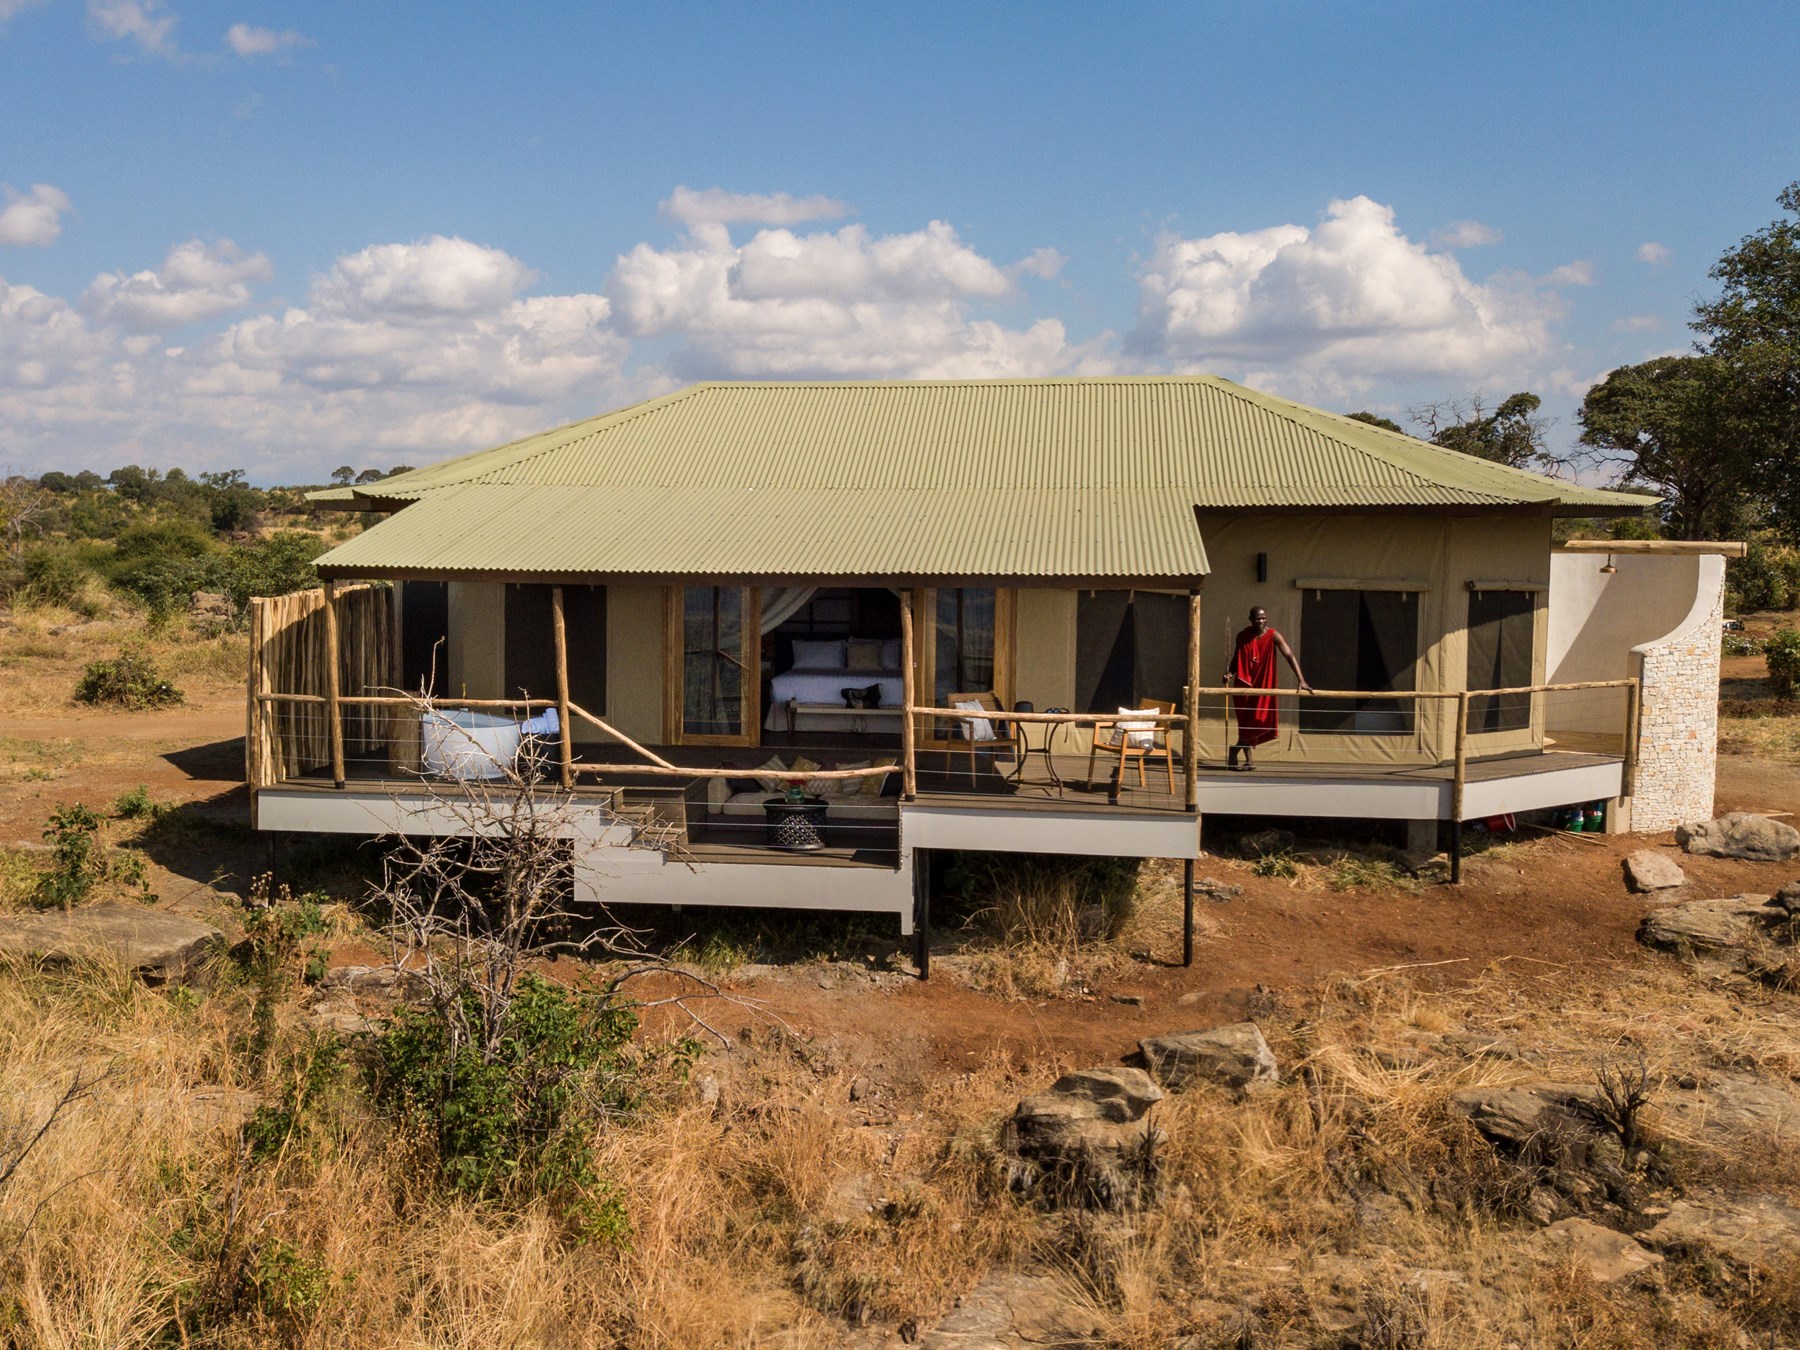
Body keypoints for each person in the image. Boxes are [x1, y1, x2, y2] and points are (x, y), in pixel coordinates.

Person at [1223, 607, 1311, 770]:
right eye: (1258, 619)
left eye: (1264, 618)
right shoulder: (1242, 636)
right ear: (1251, 619)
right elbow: (1237, 658)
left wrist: (1301, 680)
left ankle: (1235, 749)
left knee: (1258, 719)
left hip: (1264, 683)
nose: (1261, 621)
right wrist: (1229, 673)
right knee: (1246, 722)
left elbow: (1289, 655)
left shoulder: (1273, 635)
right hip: (1244, 685)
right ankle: (1249, 760)